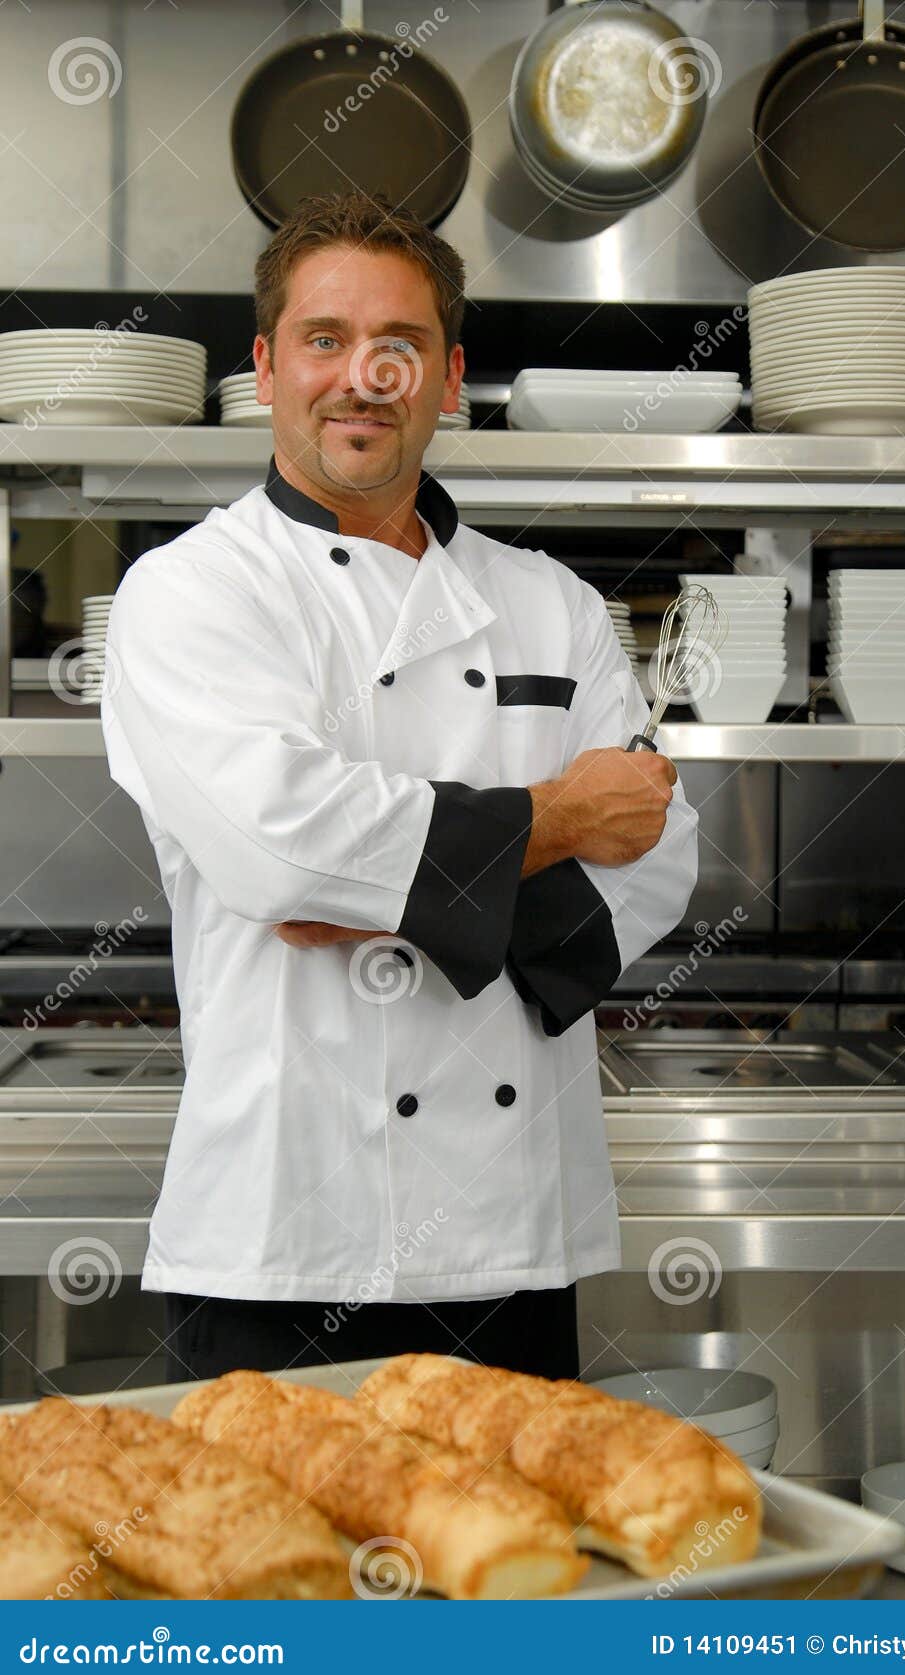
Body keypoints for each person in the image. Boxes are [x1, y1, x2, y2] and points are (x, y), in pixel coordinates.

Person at [102, 190, 698, 1385]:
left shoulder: (554, 604)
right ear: (267, 368)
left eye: (400, 346)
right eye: (325, 339)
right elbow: (281, 852)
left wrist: (388, 883)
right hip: (283, 1242)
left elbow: (662, 860)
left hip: (512, 1236)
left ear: (449, 375)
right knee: (273, 1569)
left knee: (518, 1569)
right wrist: (558, 815)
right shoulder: (191, 593)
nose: (362, 376)